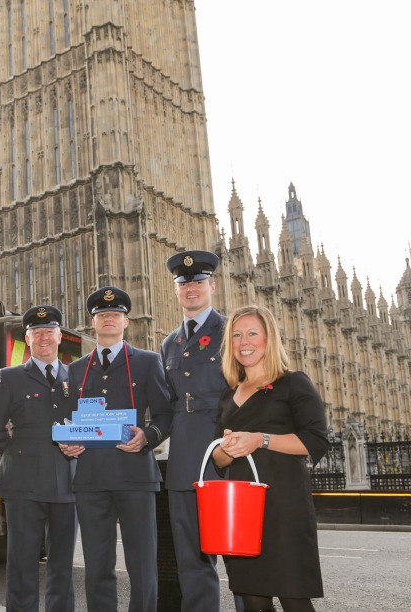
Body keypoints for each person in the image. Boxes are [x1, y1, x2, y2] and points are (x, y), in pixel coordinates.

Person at [60, 287, 171, 612]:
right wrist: (67, 442)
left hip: (135, 475)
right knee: (97, 567)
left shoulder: (148, 362)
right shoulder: (76, 369)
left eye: (115, 314)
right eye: (102, 315)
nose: (108, 319)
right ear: (93, 323)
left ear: (126, 322)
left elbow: (166, 414)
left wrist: (148, 436)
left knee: (142, 565)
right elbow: (68, 420)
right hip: (91, 479)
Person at [211, 305, 329, 612]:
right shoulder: (229, 394)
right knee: (252, 599)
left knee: (294, 598)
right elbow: (219, 460)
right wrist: (226, 448)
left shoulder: (293, 382)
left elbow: (316, 440)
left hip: (284, 503)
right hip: (241, 508)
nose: (244, 342)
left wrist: (260, 439)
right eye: (236, 335)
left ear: (269, 338)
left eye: (252, 333)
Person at [0, 305, 77, 612]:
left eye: (49, 331)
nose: (44, 337)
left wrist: (81, 444)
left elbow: (88, 421)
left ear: (59, 336)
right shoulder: (10, 377)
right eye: (37, 332)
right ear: (28, 338)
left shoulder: (75, 376)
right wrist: (14, 451)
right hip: (23, 484)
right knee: (22, 563)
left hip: (67, 481)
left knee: (62, 564)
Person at [161, 249, 229, 611]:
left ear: (212, 286)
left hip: (225, 454)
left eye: (198, 282)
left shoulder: (231, 331)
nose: (191, 288)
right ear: (176, 290)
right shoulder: (169, 343)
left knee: (239, 554)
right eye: (184, 283)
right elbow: (166, 406)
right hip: (184, 460)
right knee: (192, 559)